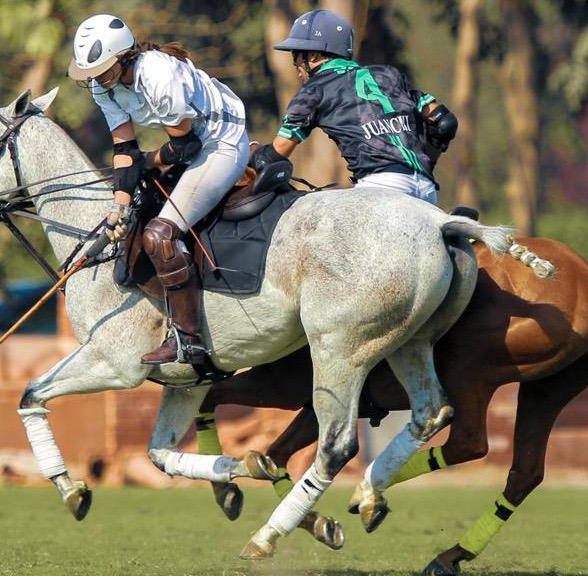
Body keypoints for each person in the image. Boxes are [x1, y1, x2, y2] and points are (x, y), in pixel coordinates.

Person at [68, 14, 250, 367]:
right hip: (191, 144)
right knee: (137, 214)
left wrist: (147, 161)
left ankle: (189, 340)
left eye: (103, 71)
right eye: (91, 74)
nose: (97, 81)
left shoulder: (158, 75)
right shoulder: (101, 86)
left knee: (159, 234)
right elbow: (124, 149)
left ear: (124, 58)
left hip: (221, 143)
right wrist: (119, 206)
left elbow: (185, 148)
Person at [253, 9, 458, 206]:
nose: (296, 67)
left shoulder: (314, 89)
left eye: (296, 56)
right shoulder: (388, 74)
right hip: (426, 188)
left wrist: (252, 161)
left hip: (382, 188)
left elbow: (278, 151)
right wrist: (425, 165)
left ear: (313, 55)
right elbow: (444, 123)